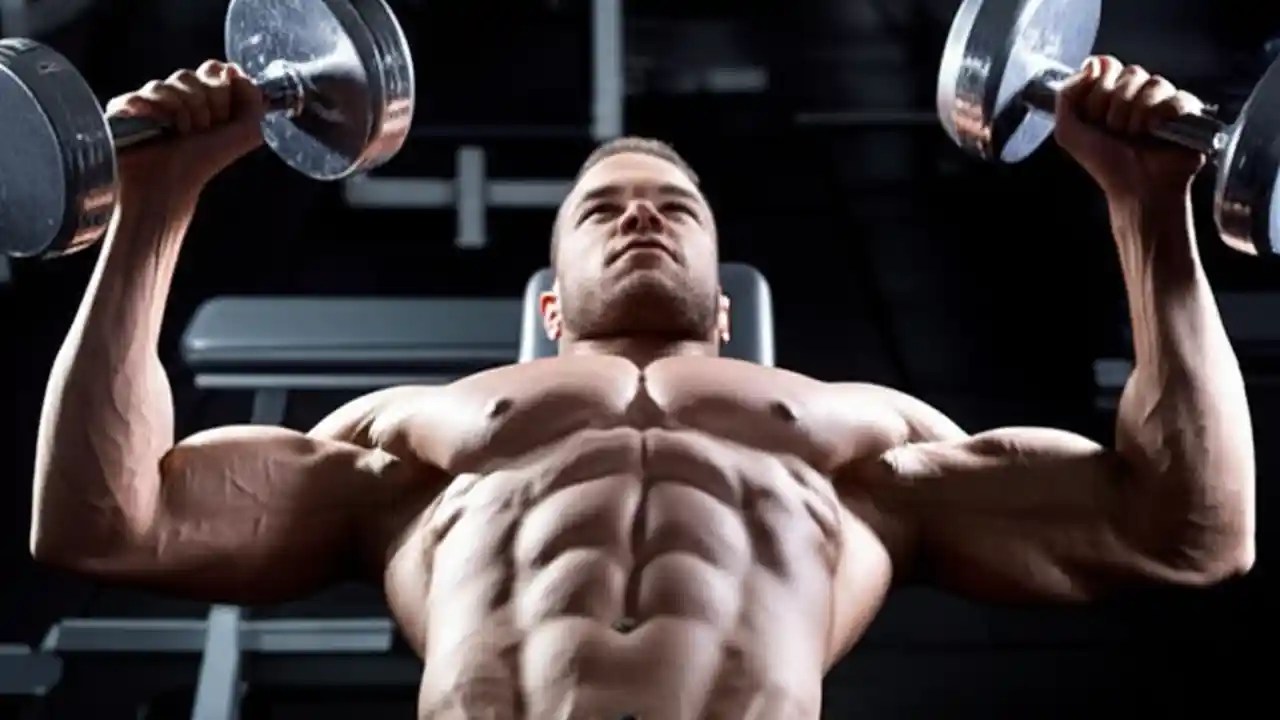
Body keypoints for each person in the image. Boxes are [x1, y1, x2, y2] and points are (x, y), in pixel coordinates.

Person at [29, 55, 1254, 718]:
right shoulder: (407, 436)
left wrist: (1149, 215)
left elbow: (1190, 532)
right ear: (547, 302)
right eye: (600, 208)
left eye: (675, 208)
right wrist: (154, 210)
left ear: (726, 306)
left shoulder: (867, 437)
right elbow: (103, 519)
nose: (639, 219)